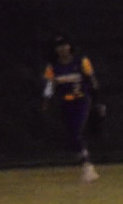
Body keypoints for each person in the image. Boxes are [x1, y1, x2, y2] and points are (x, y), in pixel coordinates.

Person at [41, 34, 102, 182]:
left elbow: (92, 81)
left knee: (76, 131)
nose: (62, 49)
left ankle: (88, 165)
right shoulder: (53, 66)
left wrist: (98, 101)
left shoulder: (81, 61)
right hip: (65, 103)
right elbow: (49, 85)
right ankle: (83, 160)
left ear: (70, 46)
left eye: (65, 45)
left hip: (81, 101)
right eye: (59, 46)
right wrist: (46, 101)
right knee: (71, 135)